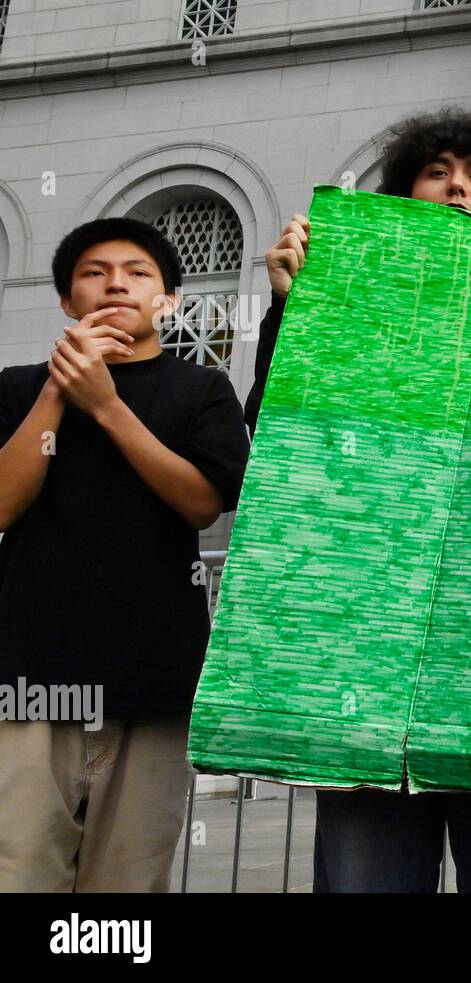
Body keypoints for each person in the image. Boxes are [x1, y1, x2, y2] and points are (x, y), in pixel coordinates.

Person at [246, 108, 471, 893]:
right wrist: (299, 309)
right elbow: (281, 444)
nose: (458, 185)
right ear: (400, 200)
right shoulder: (339, 302)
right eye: (437, 172)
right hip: (367, 660)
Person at [0, 218, 249, 891]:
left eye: (138, 272)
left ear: (167, 300)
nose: (115, 283)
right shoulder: (17, 389)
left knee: (127, 890)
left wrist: (107, 406)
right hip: (28, 684)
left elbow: (201, 503)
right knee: (19, 871)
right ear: (65, 301)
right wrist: (60, 389)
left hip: (154, 684)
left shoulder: (202, 392)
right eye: (94, 271)